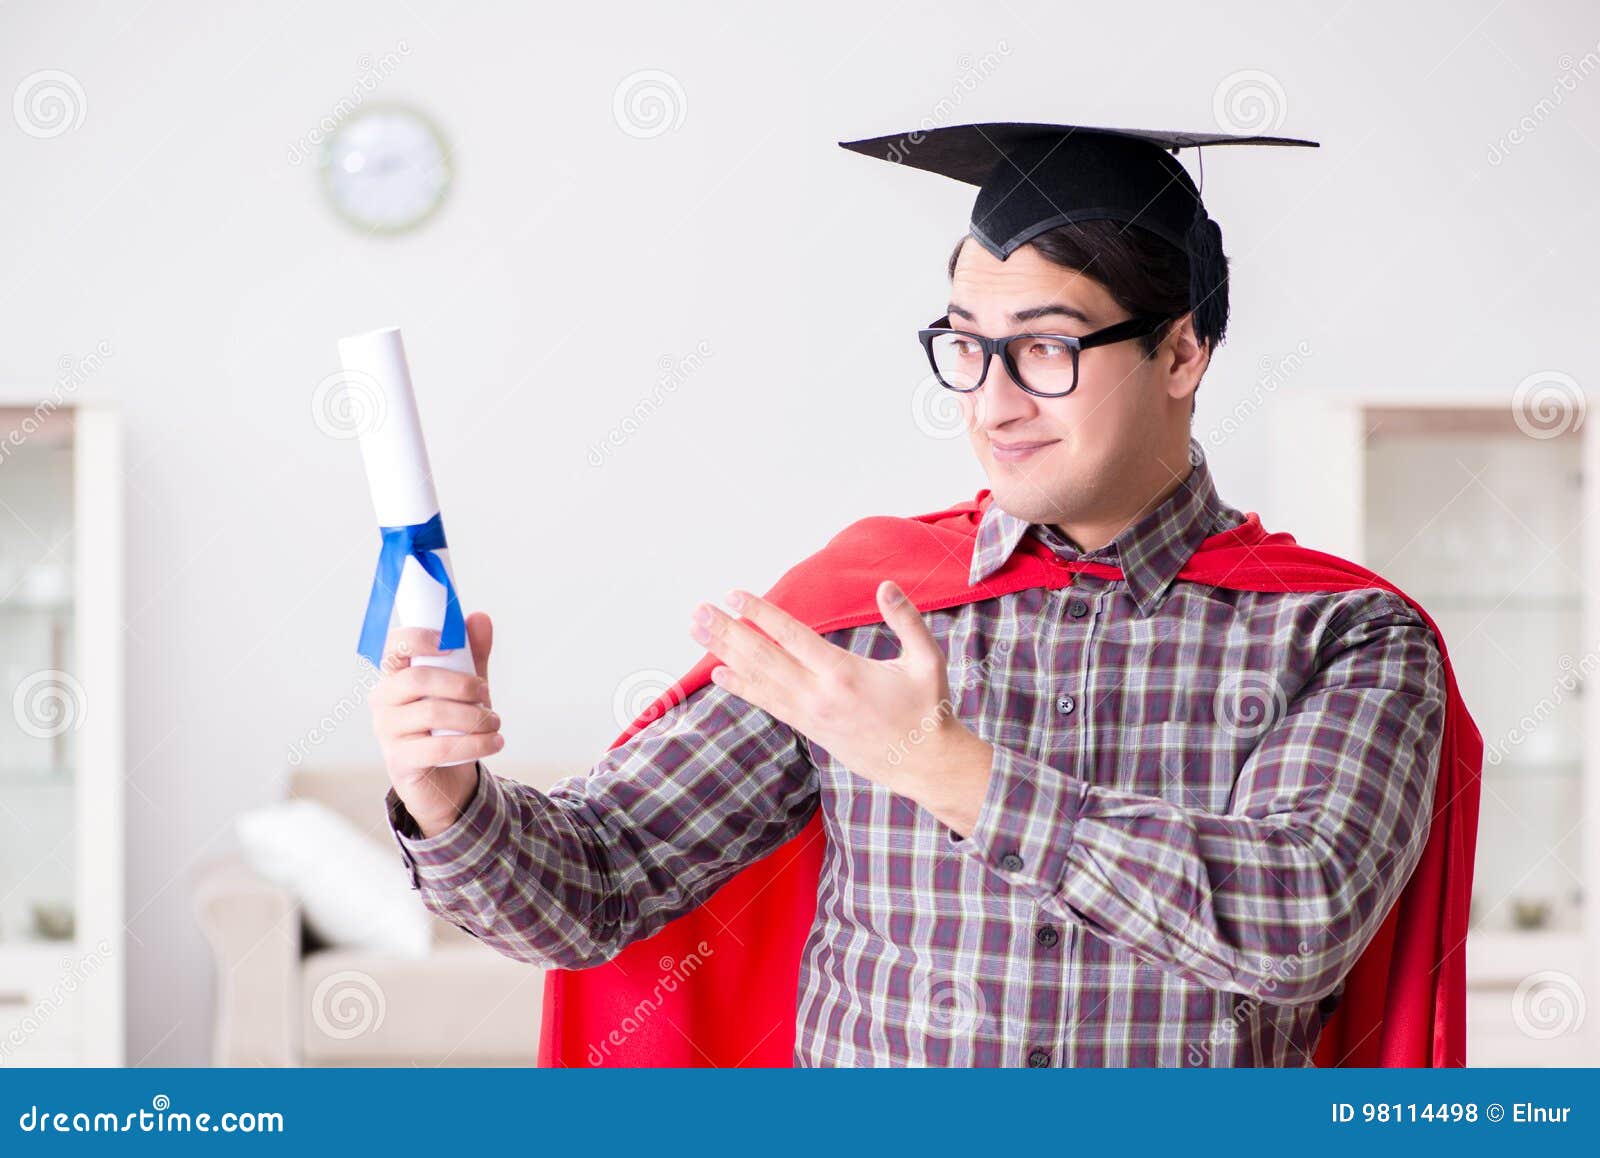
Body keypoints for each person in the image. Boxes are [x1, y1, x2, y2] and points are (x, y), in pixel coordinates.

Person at [368, 123, 1467, 1067]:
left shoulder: (1344, 636)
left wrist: (939, 766)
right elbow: (595, 885)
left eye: (1046, 349)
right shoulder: (865, 610)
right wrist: (445, 795)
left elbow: (1296, 921)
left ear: (1181, 353)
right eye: (967, 347)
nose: (992, 404)